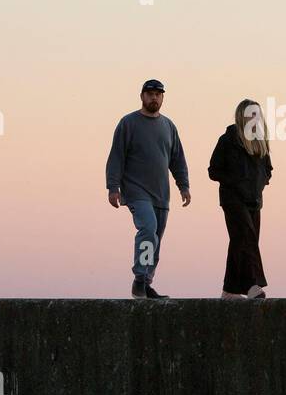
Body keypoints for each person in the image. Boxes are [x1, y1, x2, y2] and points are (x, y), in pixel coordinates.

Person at [105, 79, 191, 299]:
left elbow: (177, 159)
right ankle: (140, 280)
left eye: (158, 94)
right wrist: (113, 186)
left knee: (156, 240)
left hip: (161, 195)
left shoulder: (169, 126)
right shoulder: (128, 123)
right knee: (148, 230)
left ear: (163, 98)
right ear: (142, 96)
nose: (154, 97)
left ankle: (147, 282)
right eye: (150, 93)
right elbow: (116, 156)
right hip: (136, 192)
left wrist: (184, 186)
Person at [207, 100, 274, 300]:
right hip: (232, 199)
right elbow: (213, 171)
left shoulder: (260, 141)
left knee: (239, 242)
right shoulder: (228, 140)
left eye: (257, 114)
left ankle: (229, 290)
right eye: (250, 114)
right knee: (246, 239)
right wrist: (236, 181)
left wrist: (261, 182)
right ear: (241, 116)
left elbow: (268, 169)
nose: (254, 118)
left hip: (254, 200)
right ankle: (254, 284)